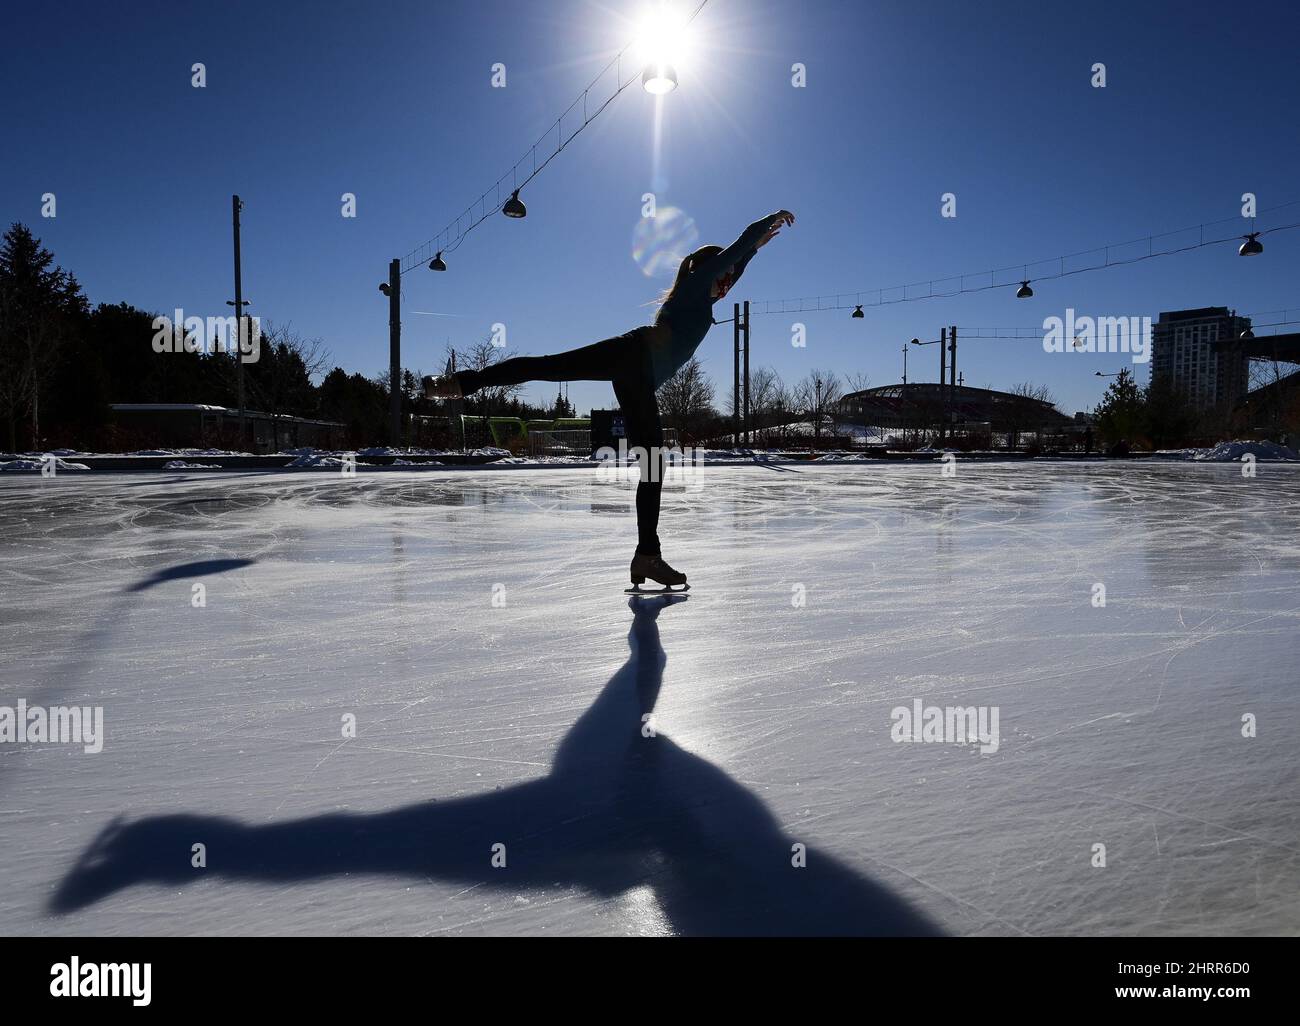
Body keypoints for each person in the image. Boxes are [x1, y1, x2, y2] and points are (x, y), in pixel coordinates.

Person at [423, 209, 796, 589]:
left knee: (652, 462)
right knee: (551, 369)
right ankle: (459, 383)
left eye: (730, 283)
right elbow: (737, 248)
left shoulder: (704, 297)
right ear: (709, 270)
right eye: (725, 278)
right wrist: (763, 226)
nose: (727, 286)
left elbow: (739, 259)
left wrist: (757, 249)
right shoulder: (696, 285)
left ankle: (647, 555)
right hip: (633, 358)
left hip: (638, 376)